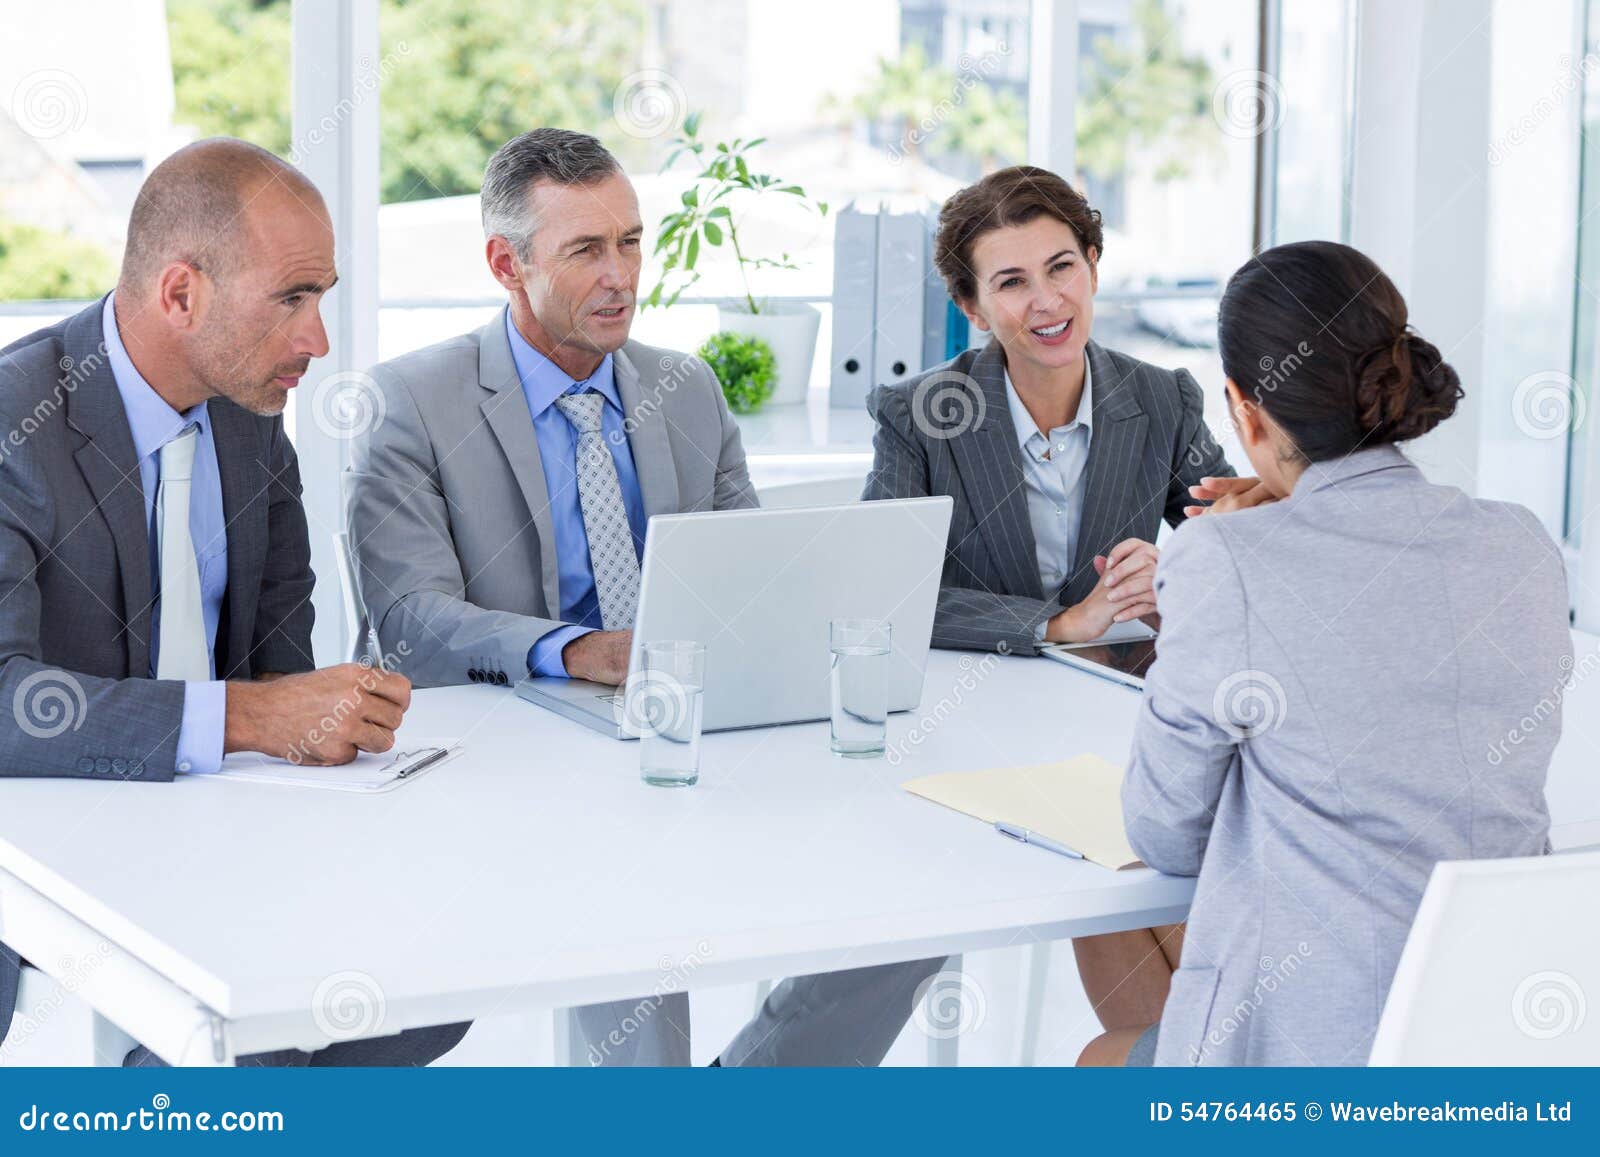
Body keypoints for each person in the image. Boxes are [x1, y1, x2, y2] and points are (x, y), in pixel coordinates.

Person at [346, 128, 943, 1066]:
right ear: (507, 264)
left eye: (630, 241)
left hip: (688, 733)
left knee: (914, 899)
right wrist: (576, 650)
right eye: (586, 249)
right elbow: (410, 621)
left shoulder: (686, 387)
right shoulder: (412, 402)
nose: (621, 275)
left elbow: (759, 569)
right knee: (628, 919)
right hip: (514, 759)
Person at [0, 139, 467, 1067]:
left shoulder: (251, 418)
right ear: (181, 294)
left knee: (429, 982)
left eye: (322, 296)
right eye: (292, 298)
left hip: (219, 828)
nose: (317, 339)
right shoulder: (18, 423)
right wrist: (251, 717)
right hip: (45, 838)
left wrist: (328, 719)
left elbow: (282, 659)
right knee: (258, 1049)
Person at [1079, 241, 1572, 1067]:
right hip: (1504, 1042)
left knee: (1100, 1053)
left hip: (1327, 1061)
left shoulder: (1225, 558)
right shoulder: (1521, 544)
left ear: (1244, 412)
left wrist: (1234, 549)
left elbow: (1165, 834)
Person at [863, 164, 1237, 1035]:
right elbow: (883, 597)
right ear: (972, 306)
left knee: (1154, 862)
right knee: (1132, 865)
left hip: (1117, 725)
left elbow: (1234, 545)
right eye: (1011, 282)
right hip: (969, 730)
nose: (1046, 301)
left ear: (1094, 265)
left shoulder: (1162, 398)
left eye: (1062, 266)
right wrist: (1059, 624)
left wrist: (1172, 584)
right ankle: (1192, 1067)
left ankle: (1176, 1063)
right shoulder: (919, 415)